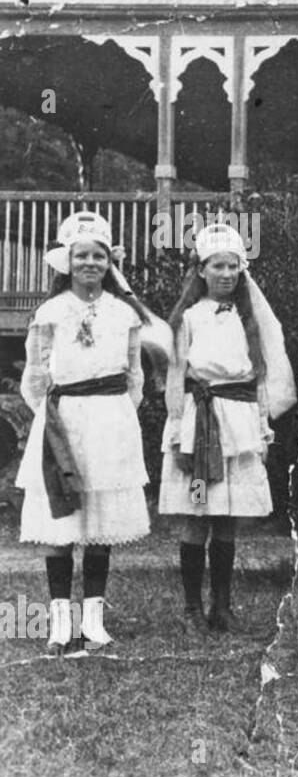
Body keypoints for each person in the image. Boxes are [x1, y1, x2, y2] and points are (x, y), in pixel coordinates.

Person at [16, 212, 157, 654]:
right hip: (62, 423)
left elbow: (134, 376)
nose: (90, 263)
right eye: (82, 256)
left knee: (99, 522)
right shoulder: (51, 312)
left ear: (108, 262)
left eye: (98, 256)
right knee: (63, 524)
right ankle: (61, 624)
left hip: (110, 423)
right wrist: (54, 417)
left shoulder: (124, 314)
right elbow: (35, 377)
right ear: (67, 262)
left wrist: (113, 413)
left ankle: (93, 622)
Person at [159, 224, 295, 633]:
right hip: (199, 427)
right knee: (198, 510)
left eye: (233, 266)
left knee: (227, 516)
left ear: (242, 271)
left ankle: (222, 604)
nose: (225, 274)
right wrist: (178, 433)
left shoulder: (249, 318)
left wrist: (262, 431)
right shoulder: (188, 318)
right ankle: (190, 608)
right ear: (202, 270)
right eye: (217, 266)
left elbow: (260, 382)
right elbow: (175, 380)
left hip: (238, 427)